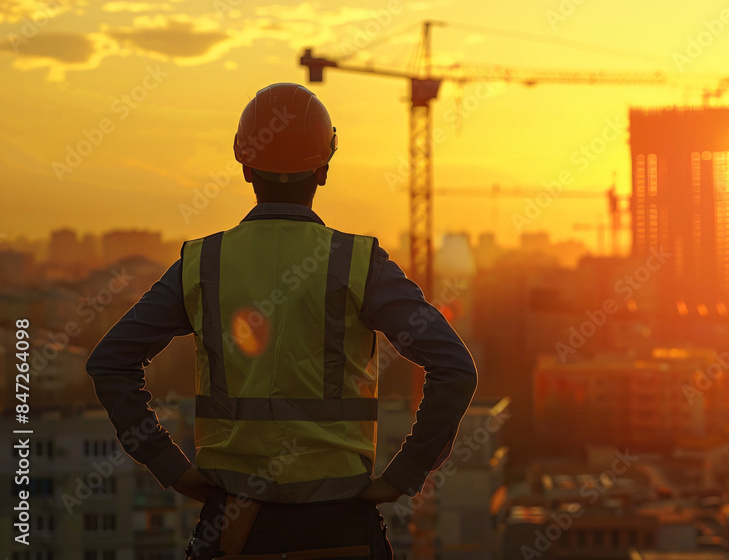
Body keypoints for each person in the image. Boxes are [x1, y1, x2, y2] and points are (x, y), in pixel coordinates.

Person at [86, 82, 478, 559]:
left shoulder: (204, 263)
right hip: (340, 525)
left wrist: (170, 466)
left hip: (233, 526)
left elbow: (110, 363)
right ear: (324, 170)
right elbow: (454, 368)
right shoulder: (358, 263)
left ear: (246, 167)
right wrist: (403, 474)